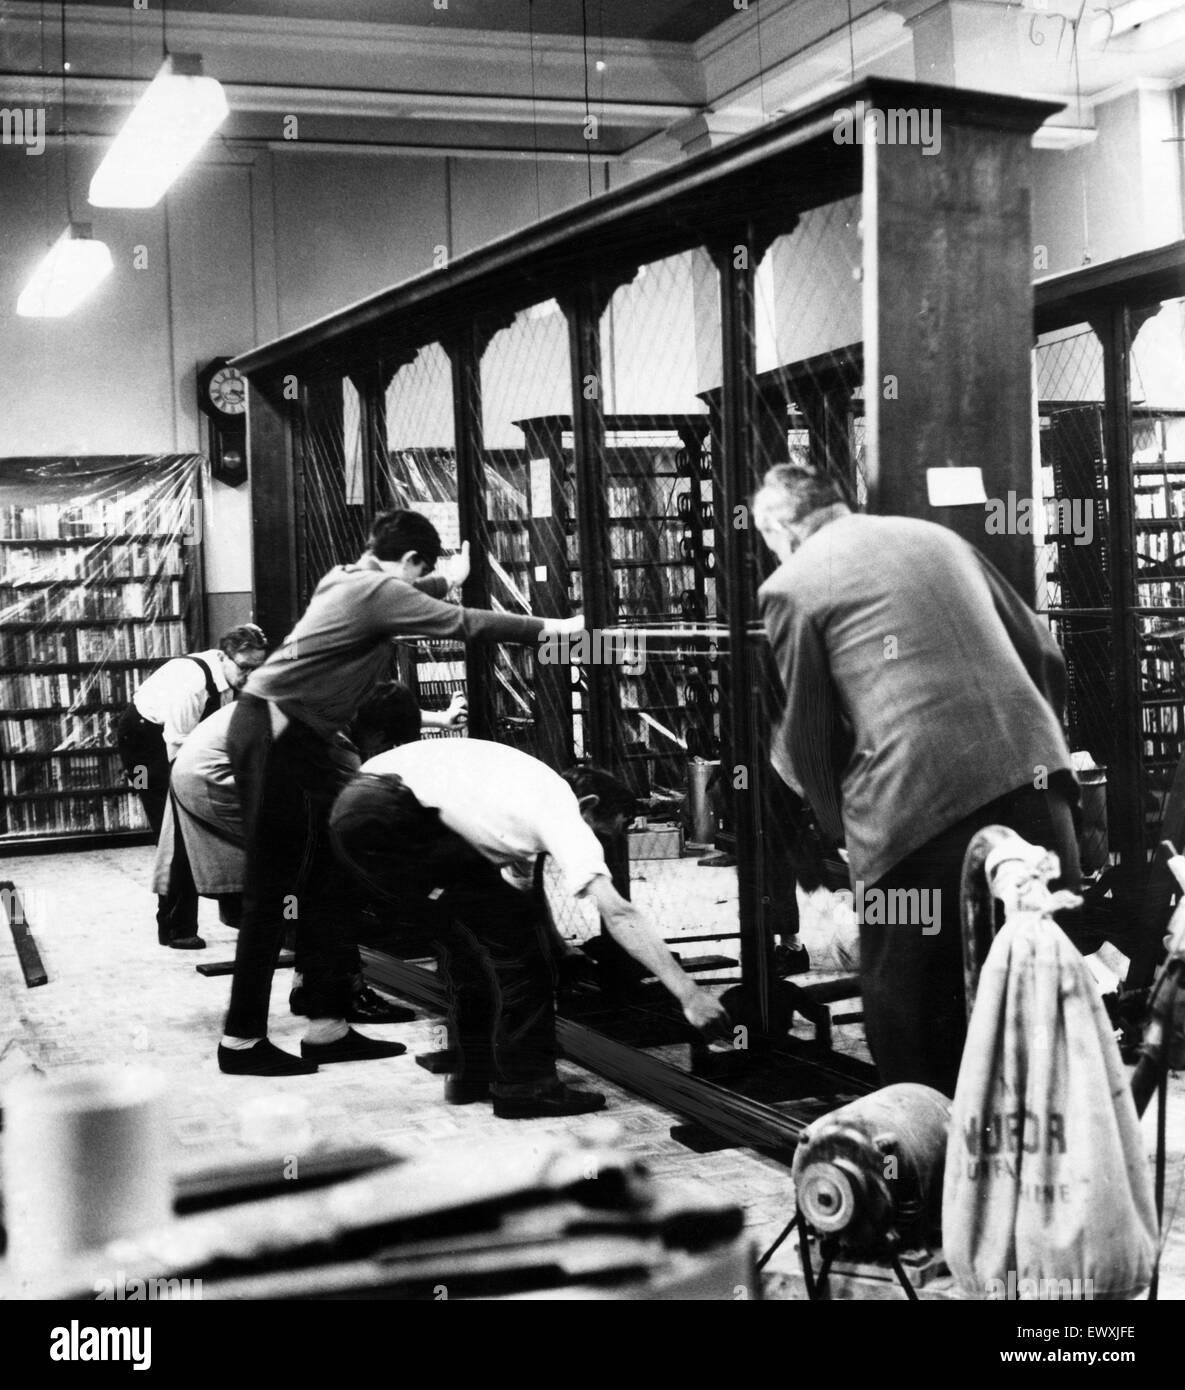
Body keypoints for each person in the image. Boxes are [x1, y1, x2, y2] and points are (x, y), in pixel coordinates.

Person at [218, 508, 583, 1077]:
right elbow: (465, 624)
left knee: (330, 876)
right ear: (410, 561)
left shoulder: (347, 577)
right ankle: (240, 1042)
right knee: (272, 892)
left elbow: (412, 597)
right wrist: (553, 629)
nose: (416, 590)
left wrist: (446, 578)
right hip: (276, 736)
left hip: (294, 738)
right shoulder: (375, 592)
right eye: (420, 576)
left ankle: (327, 1026)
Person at [753, 464, 1080, 1096]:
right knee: (1042, 972)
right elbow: (1044, 652)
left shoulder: (790, 586)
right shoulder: (938, 539)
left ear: (778, 528)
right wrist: (1041, 750)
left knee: (906, 1002)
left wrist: (841, 831)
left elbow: (810, 734)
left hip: (917, 810)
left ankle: (929, 1171)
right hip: (1038, 784)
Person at [329, 739, 731, 1118]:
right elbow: (619, 913)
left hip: (354, 808)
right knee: (524, 963)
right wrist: (689, 993)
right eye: (604, 832)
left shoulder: (516, 797)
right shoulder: (559, 807)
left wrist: (563, 948)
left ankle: (470, 1073)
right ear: (587, 805)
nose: (604, 844)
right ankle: (525, 1087)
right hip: (397, 816)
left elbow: (522, 901)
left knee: (468, 942)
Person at [152, 681, 467, 1021]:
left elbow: (383, 708)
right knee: (328, 871)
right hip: (216, 776)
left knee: (310, 872)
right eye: (386, 742)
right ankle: (344, 991)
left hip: (205, 761)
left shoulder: (343, 697)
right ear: (375, 729)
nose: (383, 748)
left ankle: (310, 987)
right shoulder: (339, 743)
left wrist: (440, 720)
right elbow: (352, 816)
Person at [116, 624, 268, 949]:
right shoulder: (192, 685)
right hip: (146, 746)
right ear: (222, 657)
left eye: (259, 668)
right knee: (176, 832)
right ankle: (175, 928)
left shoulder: (235, 678)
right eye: (245, 668)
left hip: (190, 744)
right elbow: (179, 754)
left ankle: (238, 914)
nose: (252, 676)